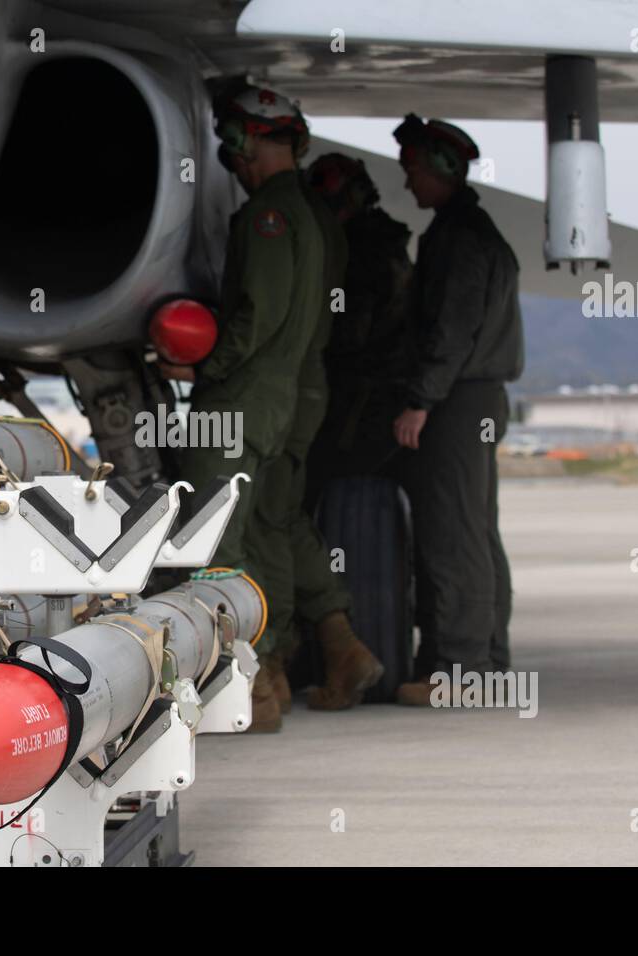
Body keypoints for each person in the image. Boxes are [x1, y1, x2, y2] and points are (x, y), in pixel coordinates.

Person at [160, 85, 325, 731]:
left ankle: (246, 690)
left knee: (213, 547)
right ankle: (271, 678)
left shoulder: (267, 218)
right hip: (274, 402)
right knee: (255, 537)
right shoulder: (305, 216)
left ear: (248, 140)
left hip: (236, 401)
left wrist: (203, 366)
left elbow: (257, 315)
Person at [387, 115, 524, 705]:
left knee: (451, 534)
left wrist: (421, 400)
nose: (408, 182)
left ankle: (463, 671)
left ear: (440, 171)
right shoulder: (471, 230)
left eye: (414, 170)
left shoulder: (459, 238)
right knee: (474, 530)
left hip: (458, 400)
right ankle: (483, 659)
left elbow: (452, 329)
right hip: (475, 397)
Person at [246, 157, 386, 718]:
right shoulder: (330, 230)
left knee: (262, 523)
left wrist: (218, 364)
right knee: (283, 518)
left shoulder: (291, 221)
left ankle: (271, 668)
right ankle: (338, 643)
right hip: (307, 391)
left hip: (285, 388)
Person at [303, 153, 416, 513]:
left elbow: (348, 334)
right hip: (377, 391)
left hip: (360, 394)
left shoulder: (360, 252)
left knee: (322, 484)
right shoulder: (384, 244)